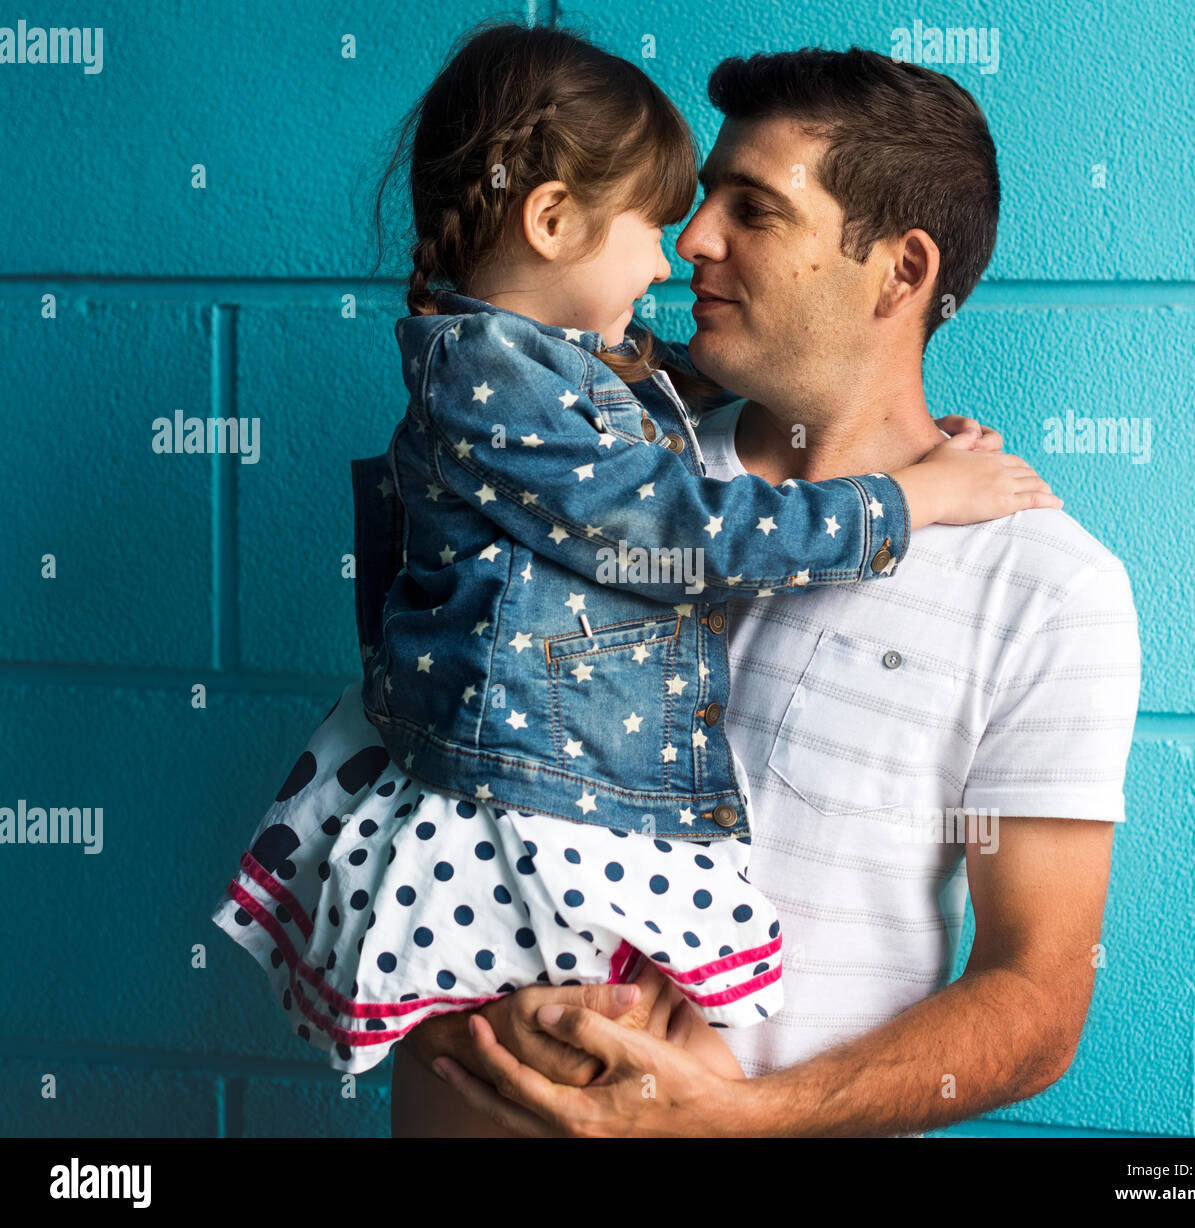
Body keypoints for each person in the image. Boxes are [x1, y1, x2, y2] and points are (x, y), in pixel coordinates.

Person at [386, 43, 1141, 1139]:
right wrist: (436, 1012)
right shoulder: (585, 457)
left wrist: (738, 1115)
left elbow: (1034, 1001)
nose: (690, 240)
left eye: (754, 209)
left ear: (901, 269)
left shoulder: (1042, 582)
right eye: (698, 205)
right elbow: (425, 732)